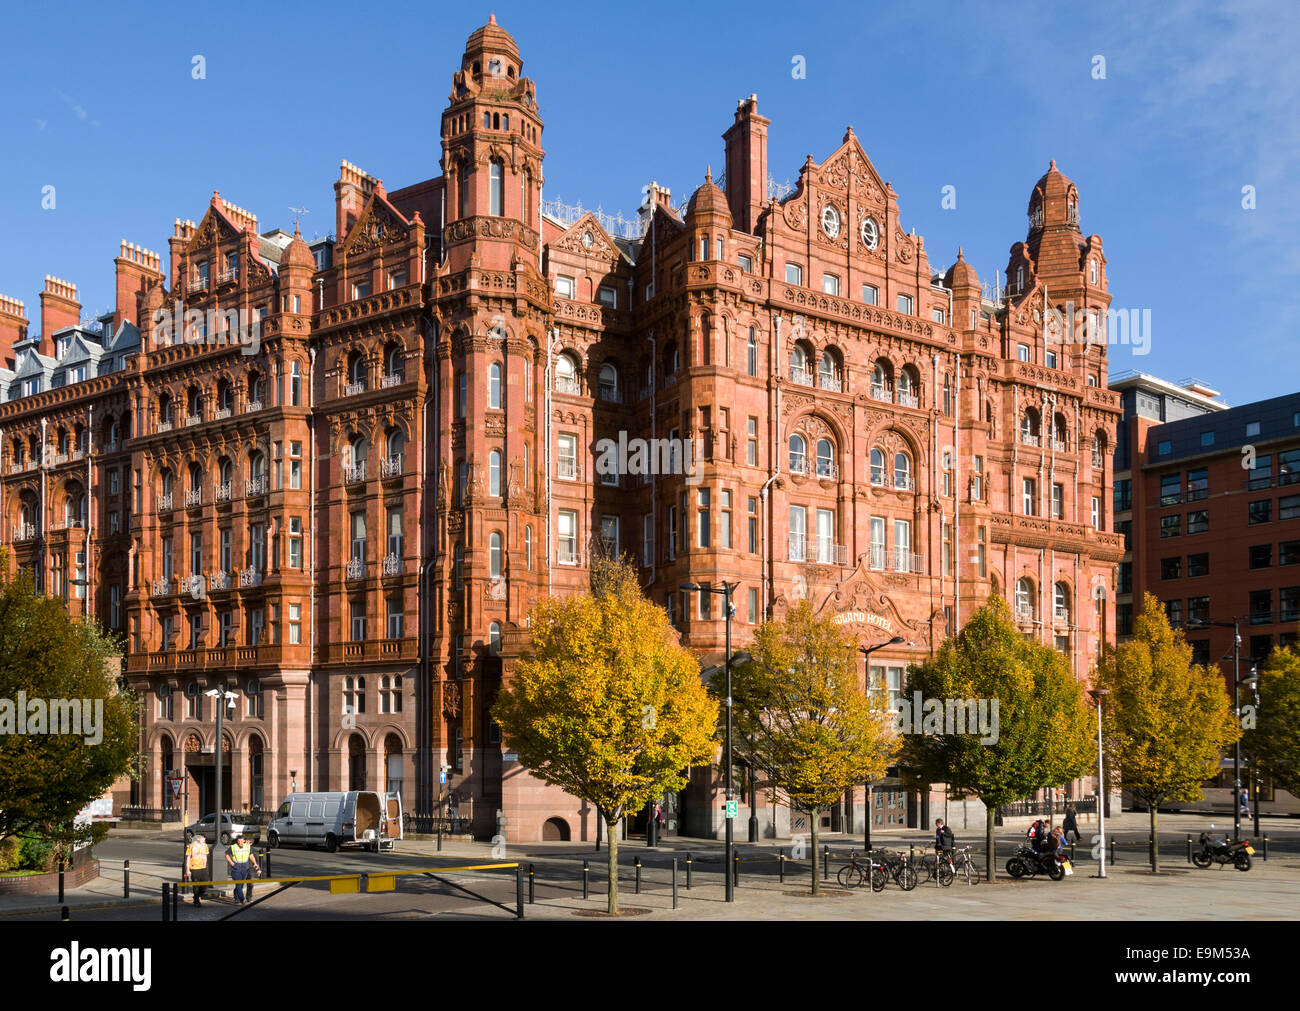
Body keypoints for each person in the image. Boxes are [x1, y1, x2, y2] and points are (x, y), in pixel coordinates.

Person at [225, 834, 261, 904]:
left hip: (245, 868)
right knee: (239, 884)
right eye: (238, 841)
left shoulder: (248, 847)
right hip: (236, 868)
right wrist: (232, 863)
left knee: (241, 885)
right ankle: (241, 899)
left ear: (244, 841)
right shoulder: (233, 847)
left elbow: (251, 856)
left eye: (241, 841)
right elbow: (226, 855)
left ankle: (237, 898)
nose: (240, 843)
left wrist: (255, 864)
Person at [183, 833, 211, 906]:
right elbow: (188, 858)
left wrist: (205, 866)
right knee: (196, 885)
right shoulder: (191, 846)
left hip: (203, 868)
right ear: (198, 839)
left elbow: (205, 856)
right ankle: (196, 901)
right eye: (203, 839)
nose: (204, 840)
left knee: (205, 884)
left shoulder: (205, 846)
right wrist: (187, 870)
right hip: (194, 868)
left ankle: (197, 896)